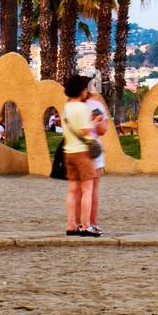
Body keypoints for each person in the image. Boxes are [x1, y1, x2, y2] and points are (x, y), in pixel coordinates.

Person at [62, 74, 104, 237]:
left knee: (72, 190)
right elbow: (85, 131)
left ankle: (71, 224)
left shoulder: (66, 108)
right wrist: (96, 120)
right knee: (87, 190)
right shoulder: (82, 108)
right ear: (81, 90)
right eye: (86, 88)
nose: (87, 92)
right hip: (83, 153)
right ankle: (86, 225)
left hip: (69, 152)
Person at [81, 79, 110, 233]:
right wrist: (97, 120)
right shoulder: (97, 106)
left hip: (76, 148)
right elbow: (102, 131)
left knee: (77, 190)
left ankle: (77, 223)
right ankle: (91, 223)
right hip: (93, 148)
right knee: (93, 189)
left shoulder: (71, 106)